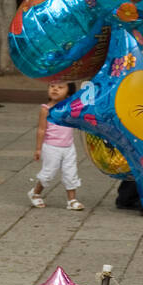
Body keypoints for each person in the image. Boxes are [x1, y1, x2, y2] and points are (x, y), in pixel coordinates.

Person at [28, 79, 84, 210]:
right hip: (51, 147)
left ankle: (72, 200)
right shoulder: (46, 109)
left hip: (69, 147)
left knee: (71, 173)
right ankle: (35, 193)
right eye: (52, 86)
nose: (55, 89)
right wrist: (38, 148)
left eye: (60, 87)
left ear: (68, 93)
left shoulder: (70, 108)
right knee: (48, 173)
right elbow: (41, 129)